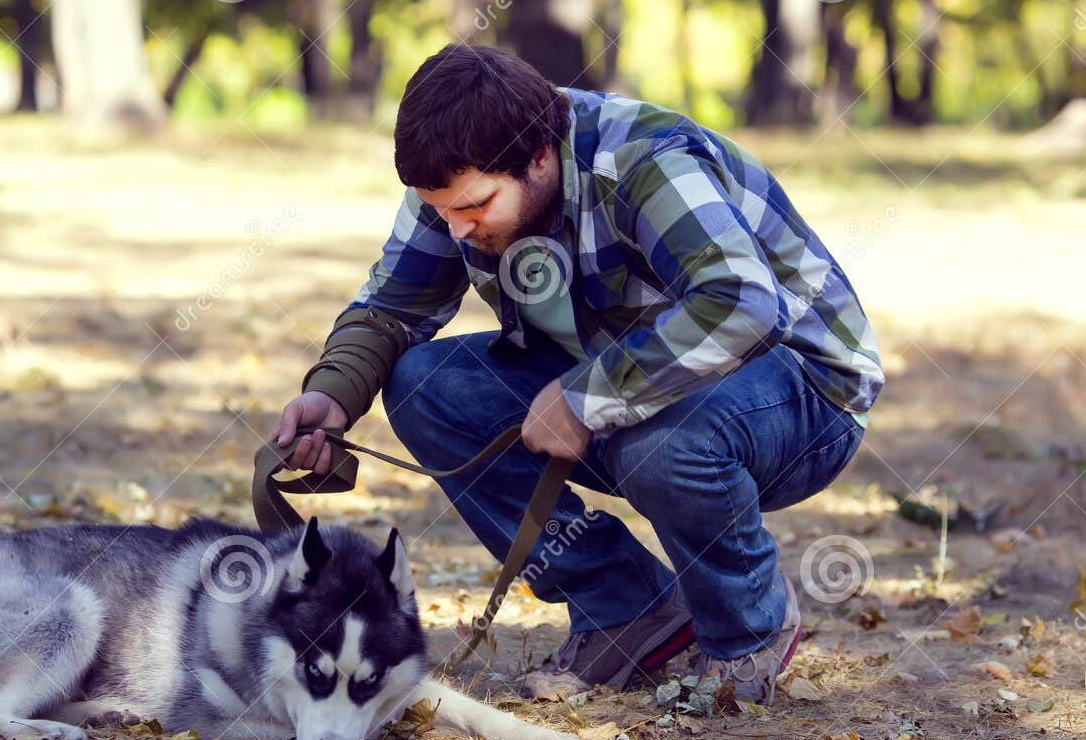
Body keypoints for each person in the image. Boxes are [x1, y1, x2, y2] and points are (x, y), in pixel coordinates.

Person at [269, 44, 884, 703]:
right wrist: (332, 393)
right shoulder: (460, 178)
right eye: (440, 210)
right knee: (423, 383)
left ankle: (749, 631)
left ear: (538, 157)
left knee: (663, 445)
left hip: (804, 393)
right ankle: (628, 610)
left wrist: (590, 395)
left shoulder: (643, 161)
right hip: (642, 382)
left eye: (473, 207)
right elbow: (392, 307)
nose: (453, 229)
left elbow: (743, 303)